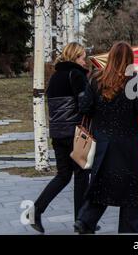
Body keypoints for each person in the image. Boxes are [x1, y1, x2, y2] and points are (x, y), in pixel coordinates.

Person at [74, 41, 138, 234]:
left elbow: (84, 108)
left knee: (101, 182)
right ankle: (129, 229)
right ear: (129, 60)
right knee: (131, 187)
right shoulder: (136, 81)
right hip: (128, 144)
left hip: (103, 142)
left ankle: (85, 220)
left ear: (110, 57)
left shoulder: (96, 79)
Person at [30, 42, 93, 234]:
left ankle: (36, 210)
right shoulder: (77, 75)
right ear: (74, 58)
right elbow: (85, 105)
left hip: (58, 134)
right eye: (82, 57)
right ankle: (81, 222)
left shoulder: (55, 77)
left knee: (63, 175)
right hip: (76, 133)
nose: (85, 61)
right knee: (82, 176)